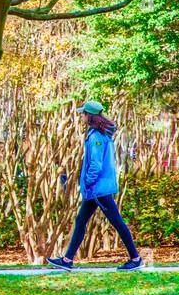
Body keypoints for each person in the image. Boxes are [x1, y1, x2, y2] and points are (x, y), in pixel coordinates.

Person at [47, 101, 143, 271]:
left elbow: (96, 164)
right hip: (97, 189)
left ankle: (136, 259)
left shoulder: (96, 137)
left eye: (83, 114)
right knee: (81, 220)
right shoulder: (99, 134)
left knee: (117, 222)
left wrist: (89, 182)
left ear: (89, 115)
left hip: (98, 189)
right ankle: (67, 260)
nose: (81, 116)